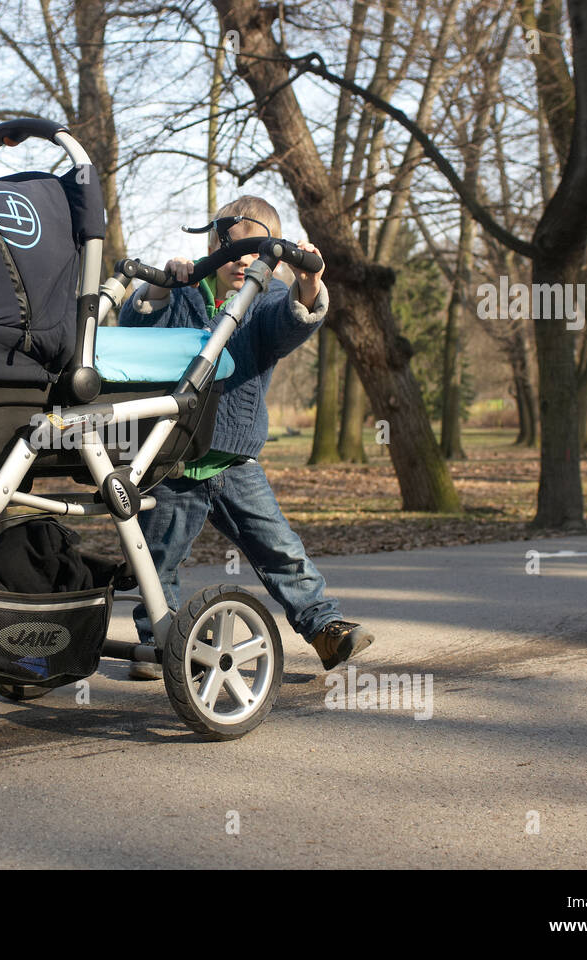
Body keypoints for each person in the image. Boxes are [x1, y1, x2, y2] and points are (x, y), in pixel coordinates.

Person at [118, 195, 373, 679]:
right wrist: (159, 289)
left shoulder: (269, 300)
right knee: (155, 559)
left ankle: (325, 628)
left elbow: (290, 325)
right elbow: (136, 329)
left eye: (257, 253)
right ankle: (162, 642)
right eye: (233, 250)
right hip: (174, 459)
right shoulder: (186, 292)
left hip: (235, 460)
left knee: (280, 550)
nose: (243, 261)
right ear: (216, 246)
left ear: (271, 258)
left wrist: (309, 283)